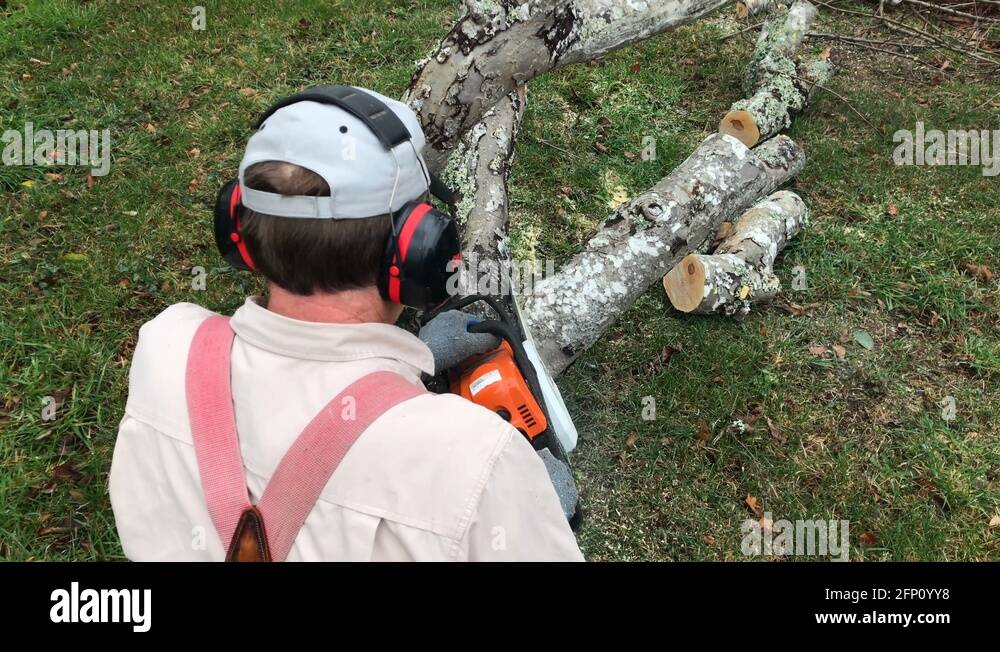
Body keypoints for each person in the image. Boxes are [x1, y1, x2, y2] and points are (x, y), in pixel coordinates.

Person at [108, 86, 583, 561]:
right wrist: (536, 503)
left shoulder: (167, 348)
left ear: (239, 232)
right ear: (417, 254)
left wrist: (404, 375)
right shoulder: (479, 462)